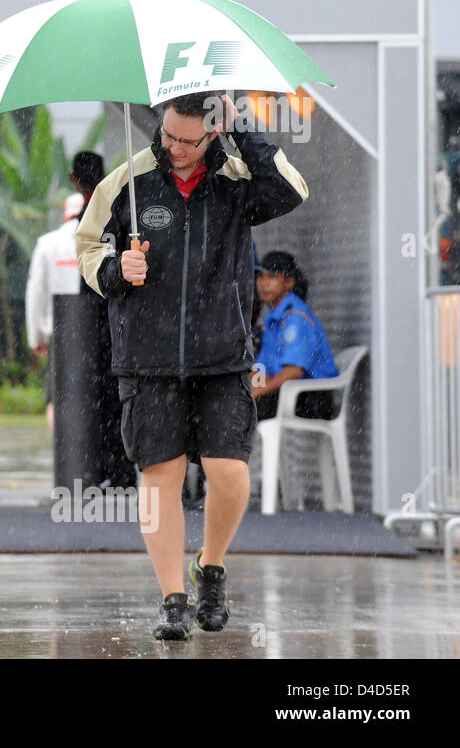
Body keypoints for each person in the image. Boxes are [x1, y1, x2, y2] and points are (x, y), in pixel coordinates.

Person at [76, 91, 308, 640]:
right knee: (161, 477)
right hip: (148, 358)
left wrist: (239, 132)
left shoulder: (237, 176)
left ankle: (211, 565)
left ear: (211, 133)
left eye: (189, 139)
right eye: (168, 137)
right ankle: (173, 599)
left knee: (229, 473)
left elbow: (292, 189)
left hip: (223, 356)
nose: (175, 148)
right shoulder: (127, 181)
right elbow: (87, 247)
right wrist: (116, 268)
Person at [251, 250, 338, 420]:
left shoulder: (296, 318)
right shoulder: (273, 318)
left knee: (243, 410)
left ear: (289, 282)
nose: (263, 283)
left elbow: (294, 371)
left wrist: (256, 393)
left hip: (312, 399)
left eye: (272, 277)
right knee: (235, 401)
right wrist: (251, 386)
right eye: (261, 277)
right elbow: (262, 367)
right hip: (289, 392)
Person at [25, 191, 84, 431]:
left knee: (57, 396)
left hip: (59, 334)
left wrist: (36, 337)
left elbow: (36, 292)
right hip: (98, 334)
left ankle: (64, 452)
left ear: (65, 214)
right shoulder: (104, 241)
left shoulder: (47, 244)